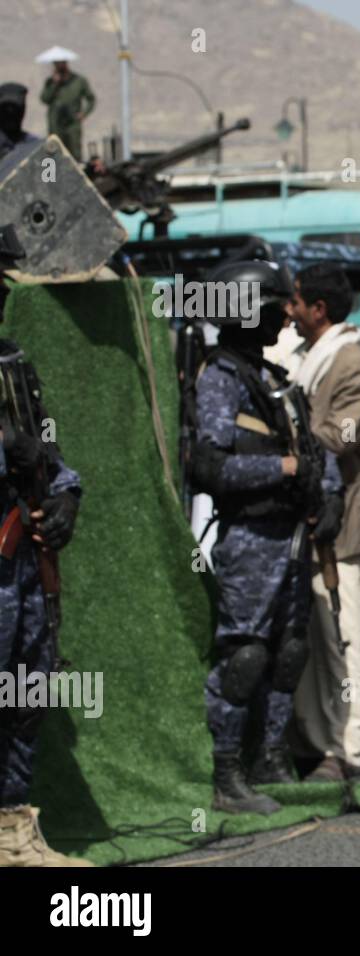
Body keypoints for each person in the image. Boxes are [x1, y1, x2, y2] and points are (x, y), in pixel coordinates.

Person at [191, 259, 344, 813]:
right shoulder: (221, 379)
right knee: (247, 655)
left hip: (294, 537)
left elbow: (315, 450)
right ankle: (226, 772)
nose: (285, 314)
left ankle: (271, 757)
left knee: (290, 651)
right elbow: (209, 467)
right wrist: (279, 471)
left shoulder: (275, 379)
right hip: (251, 537)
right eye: (273, 305)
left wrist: (328, 496)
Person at [288, 263, 360, 779]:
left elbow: (343, 435)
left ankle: (348, 749)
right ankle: (314, 738)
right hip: (309, 519)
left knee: (345, 636)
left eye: (294, 300)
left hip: (344, 520)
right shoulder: (308, 356)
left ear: (318, 309)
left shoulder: (352, 362)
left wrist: (281, 433)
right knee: (312, 636)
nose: (287, 309)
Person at [0, 325, 87, 866]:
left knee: (29, 689)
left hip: (21, 562)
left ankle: (10, 831)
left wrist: (65, 495)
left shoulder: (12, 360)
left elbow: (47, 446)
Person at [38, 53, 94, 160]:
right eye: (56, 64)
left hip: (72, 124)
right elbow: (45, 99)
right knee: (54, 153)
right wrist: (54, 84)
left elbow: (91, 99)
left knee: (75, 154)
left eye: (61, 63)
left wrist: (84, 114)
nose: (59, 66)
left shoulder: (79, 81)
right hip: (55, 124)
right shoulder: (50, 82)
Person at [0, 83, 38, 161]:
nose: (10, 114)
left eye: (15, 110)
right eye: (5, 110)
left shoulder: (33, 145)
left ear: (23, 111)